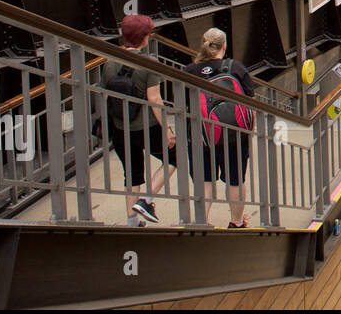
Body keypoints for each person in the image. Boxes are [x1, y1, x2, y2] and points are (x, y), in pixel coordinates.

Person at [106, 14, 176, 227]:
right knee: (176, 156)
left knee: (132, 173)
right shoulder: (149, 63)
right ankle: (146, 200)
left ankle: (132, 221)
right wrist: (167, 129)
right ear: (145, 38)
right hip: (145, 126)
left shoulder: (109, 61)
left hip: (119, 127)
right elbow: (155, 99)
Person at [185, 28, 256, 228]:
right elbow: (250, 100)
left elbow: (181, 103)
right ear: (224, 45)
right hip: (234, 135)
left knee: (205, 181)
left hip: (201, 135)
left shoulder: (190, 71)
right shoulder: (236, 68)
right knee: (235, 180)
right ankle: (236, 222)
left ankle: (202, 221)